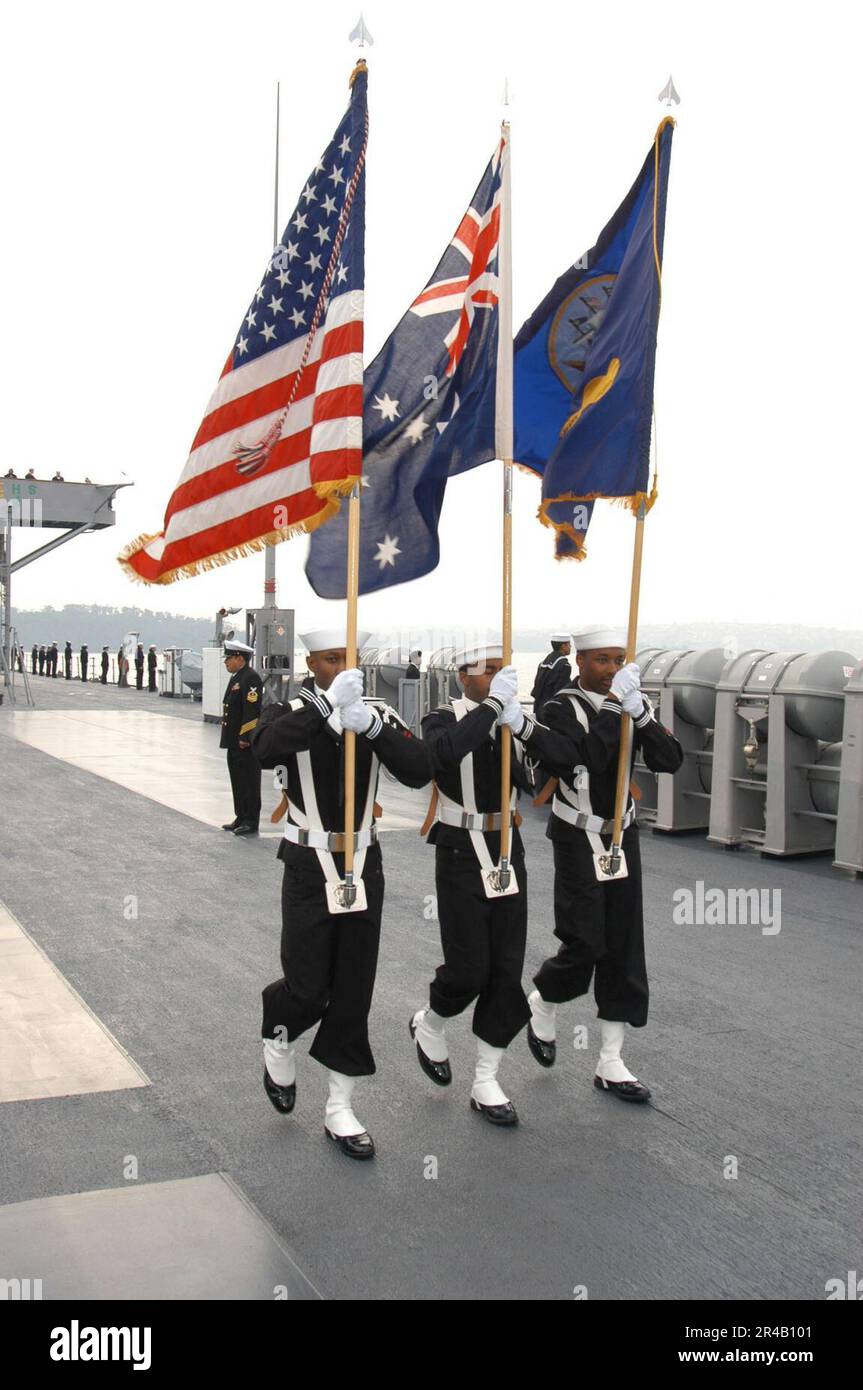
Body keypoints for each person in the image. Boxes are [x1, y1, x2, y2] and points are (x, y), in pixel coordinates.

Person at [251, 626, 433, 1161]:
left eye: (350, 658)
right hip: (308, 863)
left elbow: (421, 770)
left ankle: (340, 1106)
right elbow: (263, 749)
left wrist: (373, 727)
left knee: (354, 986)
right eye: (332, 658)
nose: (343, 667)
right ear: (312, 661)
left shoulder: (375, 713)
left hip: (364, 863)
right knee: (308, 987)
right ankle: (279, 1030)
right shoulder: (287, 708)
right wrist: (325, 710)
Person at [411, 644, 578, 1127]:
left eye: (502, 671)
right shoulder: (442, 718)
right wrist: (488, 710)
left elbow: (565, 758)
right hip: (461, 848)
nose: (497, 679)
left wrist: (520, 723)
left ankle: (486, 1077)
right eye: (486, 672)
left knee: (506, 968)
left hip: (508, 846)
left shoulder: (511, 718)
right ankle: (432, 1022)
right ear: (463, 677)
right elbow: (440, 757)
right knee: (467, 969)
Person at [525, 627, 684, 1103]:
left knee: (623, 946)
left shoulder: (633, 704)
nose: (612, 669)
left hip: (622, 834)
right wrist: (616, 706)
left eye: (618, 660)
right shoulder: (560, 707)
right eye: (602, 661)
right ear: (581, 662)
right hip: (577, 834)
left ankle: (611, 1061)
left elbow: (670, 760)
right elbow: (586, 760)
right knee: (585, 941)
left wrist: (643, 716)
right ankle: (544, 1000)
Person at [220, 640, 263, 836]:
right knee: (237, 781)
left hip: (243, 741)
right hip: (233, 741)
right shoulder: (238, 677)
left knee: (249, 781)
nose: (226, 662)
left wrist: (245, 736)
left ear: (239, 657)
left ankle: (251, 820)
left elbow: (252, 711)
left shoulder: (251, 679)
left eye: (228, 658)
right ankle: (240, 816)